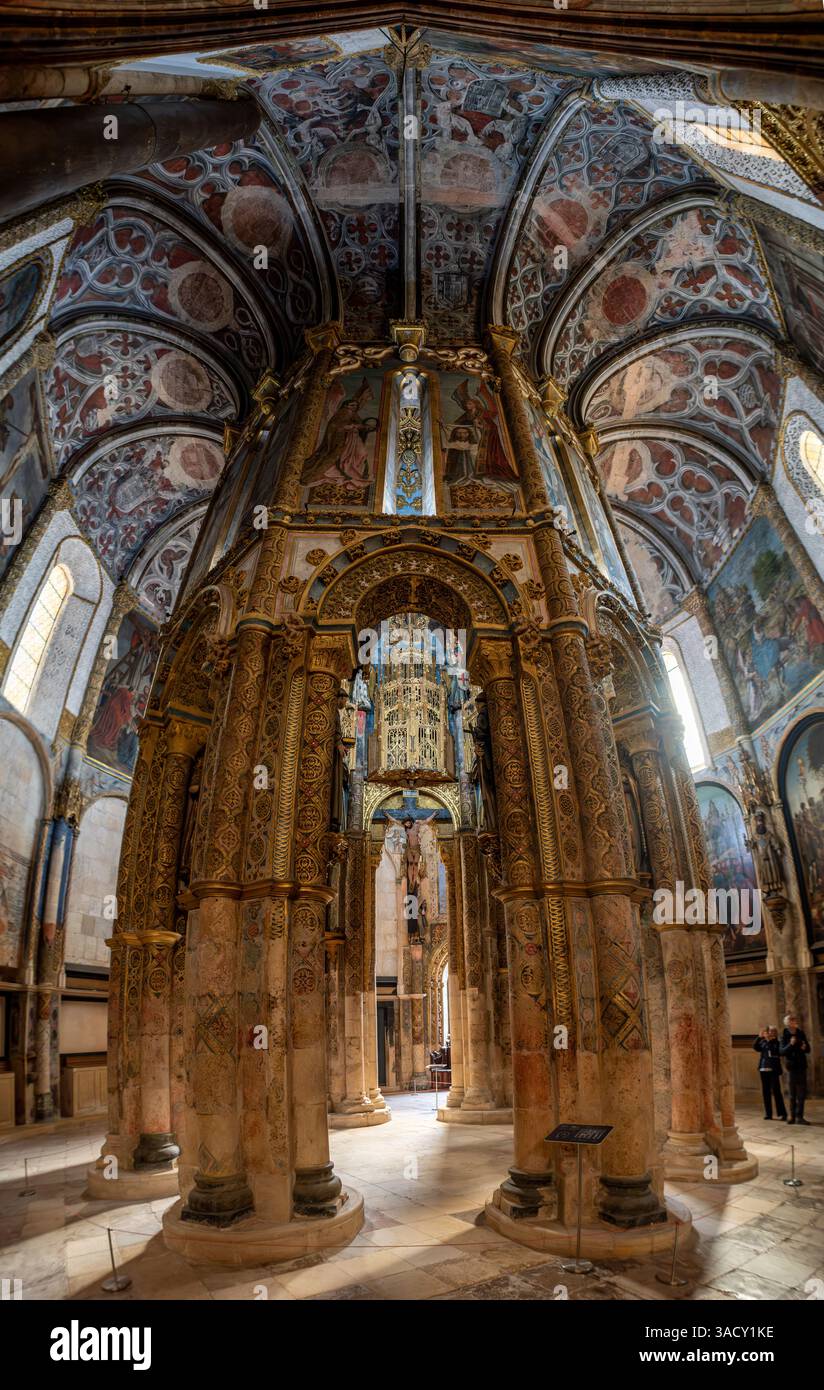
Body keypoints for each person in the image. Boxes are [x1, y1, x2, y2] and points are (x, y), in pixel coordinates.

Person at [780, 1013, 811, 1124]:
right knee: (792, 1094)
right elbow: (782, 1052)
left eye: (795, 1020)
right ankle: (791, 1116)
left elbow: (808, 1049)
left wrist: (805, 1047)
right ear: (787, 1023)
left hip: (802, 1066)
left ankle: (800, 1117)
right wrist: (791, 1044)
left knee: (801, 1094)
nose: (794, 1022)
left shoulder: (801, 1033)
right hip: (791, 1068)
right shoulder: (784, 1035)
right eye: (792, 1020)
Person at [752, 1026, 787, 1120]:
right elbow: (755, 1047)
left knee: (776, 1091)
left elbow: (778, 1052)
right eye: (768, 1031)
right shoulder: (763, 1042)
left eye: (772, 1031)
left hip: (773, 1069)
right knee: (766, 1092)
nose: (770, 1032)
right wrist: (759, 1037)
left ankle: (782, 1114)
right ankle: (768, 1114)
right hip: (763, 1069)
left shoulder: (777, 1042)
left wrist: (770, 1041)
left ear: (775, 1033)